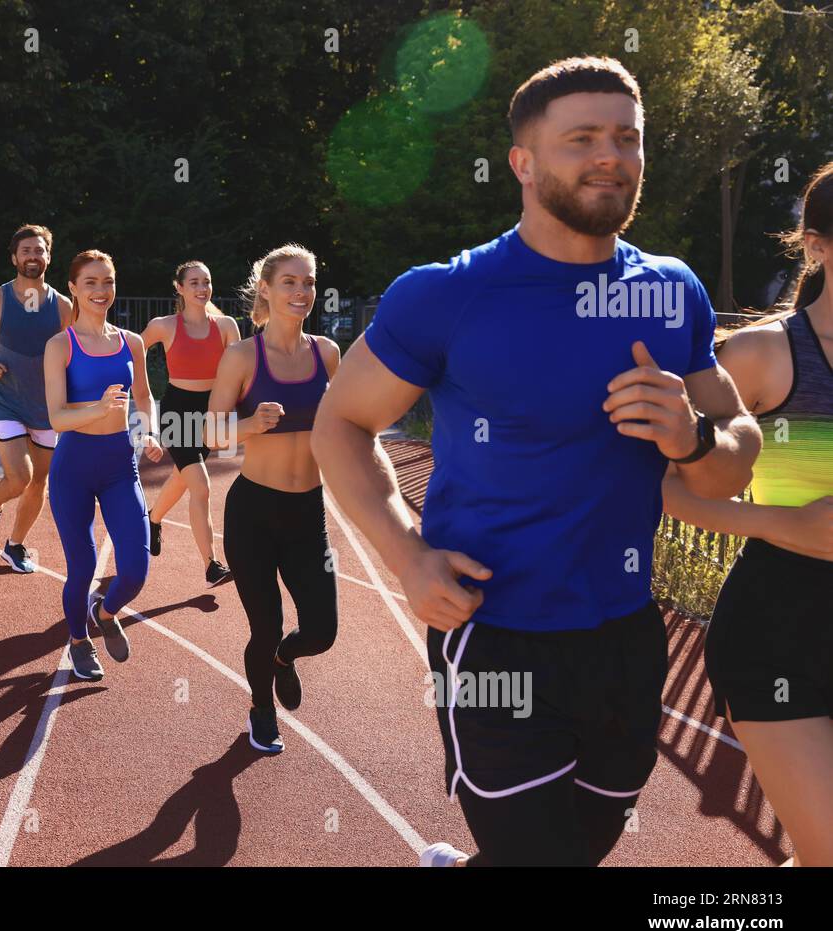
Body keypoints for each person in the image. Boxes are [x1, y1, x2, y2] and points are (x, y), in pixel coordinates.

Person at [311, 57, 761, 866]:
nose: (610, 156)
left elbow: (736, 456)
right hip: (491, 633)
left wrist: (693, 436)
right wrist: (404, 554)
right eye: (581, 137)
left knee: (577, 850)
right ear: (522, 162)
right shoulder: (446, 293)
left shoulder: (673, 291)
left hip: (627, 634)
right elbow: (340, 423)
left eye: (627, 137)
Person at [662, 161, 833, 867]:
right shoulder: (765, 353)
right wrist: (784, 524)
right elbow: (666, 488)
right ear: (816, 245)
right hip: (780, 632)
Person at [207, 244, 341, 753]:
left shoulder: (327, 353)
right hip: (253, 514)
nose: (301, 292)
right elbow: (211, 432)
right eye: (289, 282)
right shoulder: (242, 356)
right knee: (265, 626)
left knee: (322, 631)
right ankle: (261, 710)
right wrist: (250, 423)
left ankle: (287, 658)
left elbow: (342, 424)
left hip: (308, 513)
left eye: (308, 283)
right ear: (265, 288)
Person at [43, 250, 163, 681]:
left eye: (108, 282)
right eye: (90, 282)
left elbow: (144, 398)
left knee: (135, 568)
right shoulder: (60, 345)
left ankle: (105, 611)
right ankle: (79, 639)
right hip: (73, 466)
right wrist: (95, 409)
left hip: (119, 465)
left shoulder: (131, 342)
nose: (100, 291)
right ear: (73, 288)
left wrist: (146, 433)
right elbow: (57, 417)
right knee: (82, 567)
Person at [0, 225, 72, 573]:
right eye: (26, 250)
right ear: (14, 258)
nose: (33, 256)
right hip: (6, 400)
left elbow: (76, 352)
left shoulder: (64, 307)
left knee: (40, 481)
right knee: (20, 477)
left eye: (39, 250)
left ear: (48, 257)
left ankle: (15, 545)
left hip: (47, 407)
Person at [139, 261, 242, 585]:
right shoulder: (164, 325)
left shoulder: (226, 326)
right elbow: (129, 353)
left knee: (183, 477)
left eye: (206, 282)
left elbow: (238, 372)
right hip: (177, 412)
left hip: (210, 413)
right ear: (179, 287)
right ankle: (212, 565)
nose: (202, 288)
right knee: (201, 484)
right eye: (194, 282)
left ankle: (153, 520)